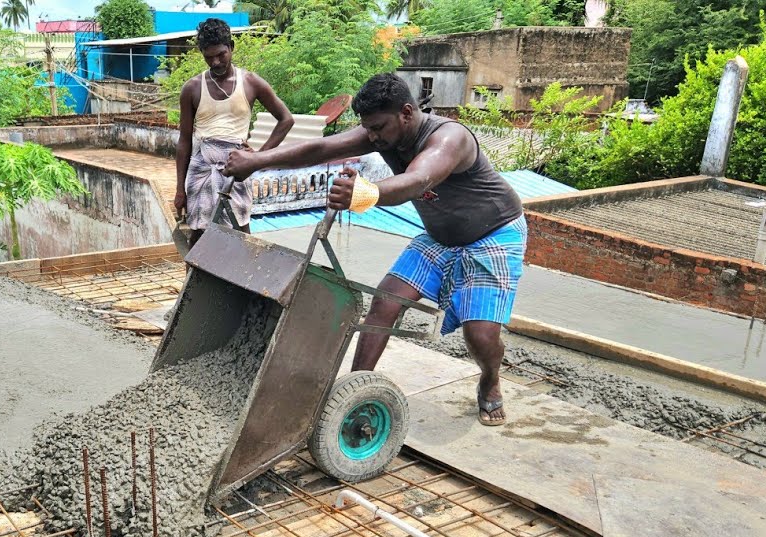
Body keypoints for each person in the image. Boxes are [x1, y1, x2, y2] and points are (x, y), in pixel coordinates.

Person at [224, 73, 526, 426]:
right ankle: (353, 394)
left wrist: (365, 194)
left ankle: (490, 379)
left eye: (378, 127)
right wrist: (258, 161)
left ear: (407, 113)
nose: (372, 137)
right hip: (441, 236)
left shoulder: (449, 139)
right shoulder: (382, 133)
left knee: (480, 335)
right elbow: (322, 148)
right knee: (384, 301)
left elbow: (418, 181)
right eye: (367, 129)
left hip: (492, 235)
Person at [174, 18, 293, 241]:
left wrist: (258, 157)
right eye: (209, 57)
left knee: (240, 234)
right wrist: (180, 189)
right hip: (201, 171)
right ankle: (196, 277)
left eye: (221, 54)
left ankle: (237, 277)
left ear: (231, 47)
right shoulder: (192, 88)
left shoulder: (251, 82)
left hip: (236, 169)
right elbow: (184, 142)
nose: (216, 62)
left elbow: (286, 120)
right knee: (198, 236)